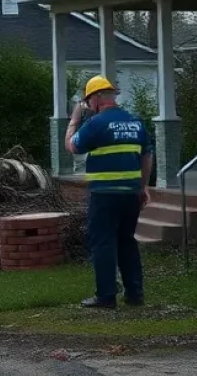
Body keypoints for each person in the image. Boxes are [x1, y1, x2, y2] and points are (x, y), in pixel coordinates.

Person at [65, 75, 153, 309]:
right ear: (111, 96)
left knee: (103, 243)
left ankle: (106, 296)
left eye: (88, 101)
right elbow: (147, 156)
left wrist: (74, 119)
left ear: (94, 99)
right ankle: (135, 294)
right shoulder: (135, 122)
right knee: (127, 241)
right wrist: (143, 187)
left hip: (104, 195)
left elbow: (72, 146)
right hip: (131, 194)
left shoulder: (95, 124)